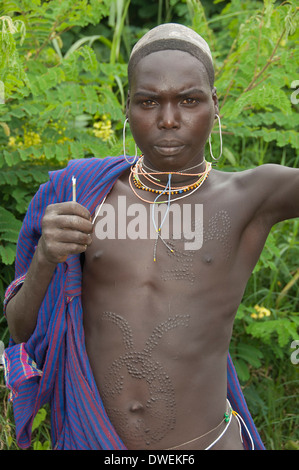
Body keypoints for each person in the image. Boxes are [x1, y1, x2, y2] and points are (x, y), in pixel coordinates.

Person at [2, 23, 299, 451]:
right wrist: (46, 258)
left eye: (189, 100)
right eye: (149, 102)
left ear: (215, 106)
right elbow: (20, 328)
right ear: (127, 108)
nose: (168, 119)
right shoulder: (81, 193)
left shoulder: (250, 197)